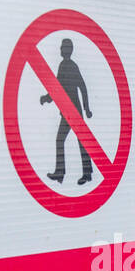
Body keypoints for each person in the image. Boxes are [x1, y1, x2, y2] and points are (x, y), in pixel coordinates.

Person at [40, 38, 94, 185]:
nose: (59, 50)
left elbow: (80, 86)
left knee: (70, 140)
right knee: (78, 141)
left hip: (72, 111)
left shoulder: (66, 66)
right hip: (69, 110)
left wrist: (86, 108)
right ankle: (74, 173)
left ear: (65, 50)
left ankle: (64, 173)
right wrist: (47, 98)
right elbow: (59, 88)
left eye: (62, 47)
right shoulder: (67, 65)